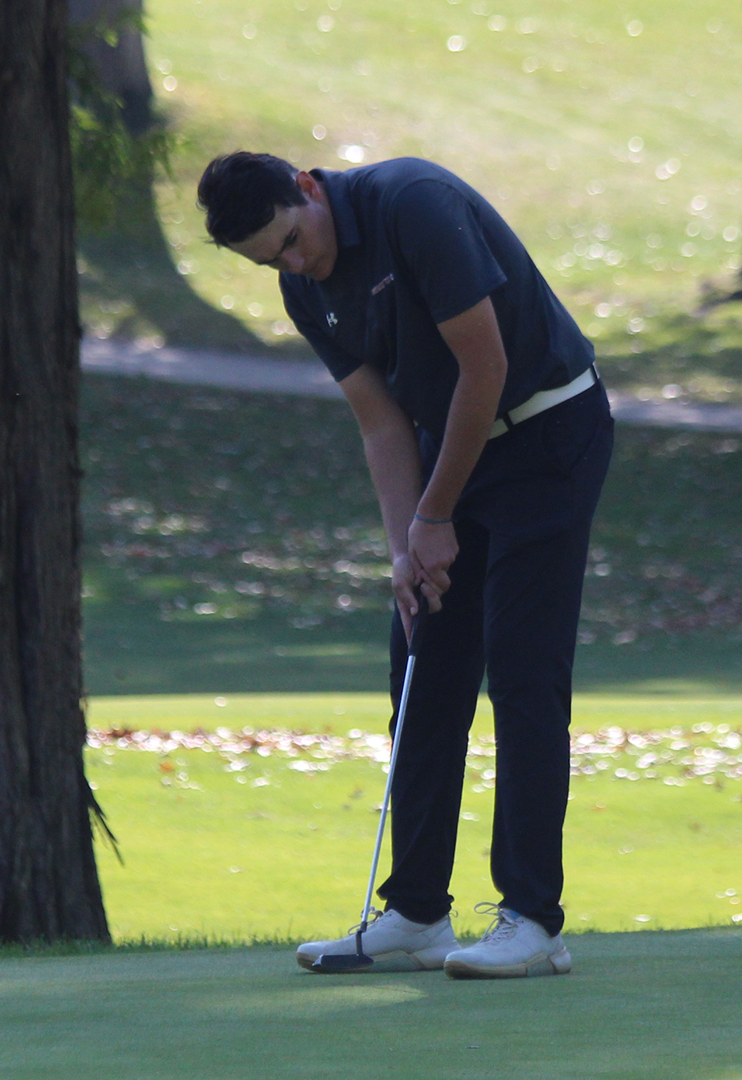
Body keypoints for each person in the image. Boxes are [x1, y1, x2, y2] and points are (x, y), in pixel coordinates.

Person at [197, 152, 612, 979]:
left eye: (290, 241)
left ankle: (533, 919)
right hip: (450, 453)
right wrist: (406, 550)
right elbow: (382, 423)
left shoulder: (410, 204)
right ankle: (418, 913)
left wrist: (434, 516)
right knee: (424, 662)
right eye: (269, 261)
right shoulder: (304, 286)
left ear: (308, 191)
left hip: (546, 434)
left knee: (523, 675)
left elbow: (484, 368)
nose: (292, 265)